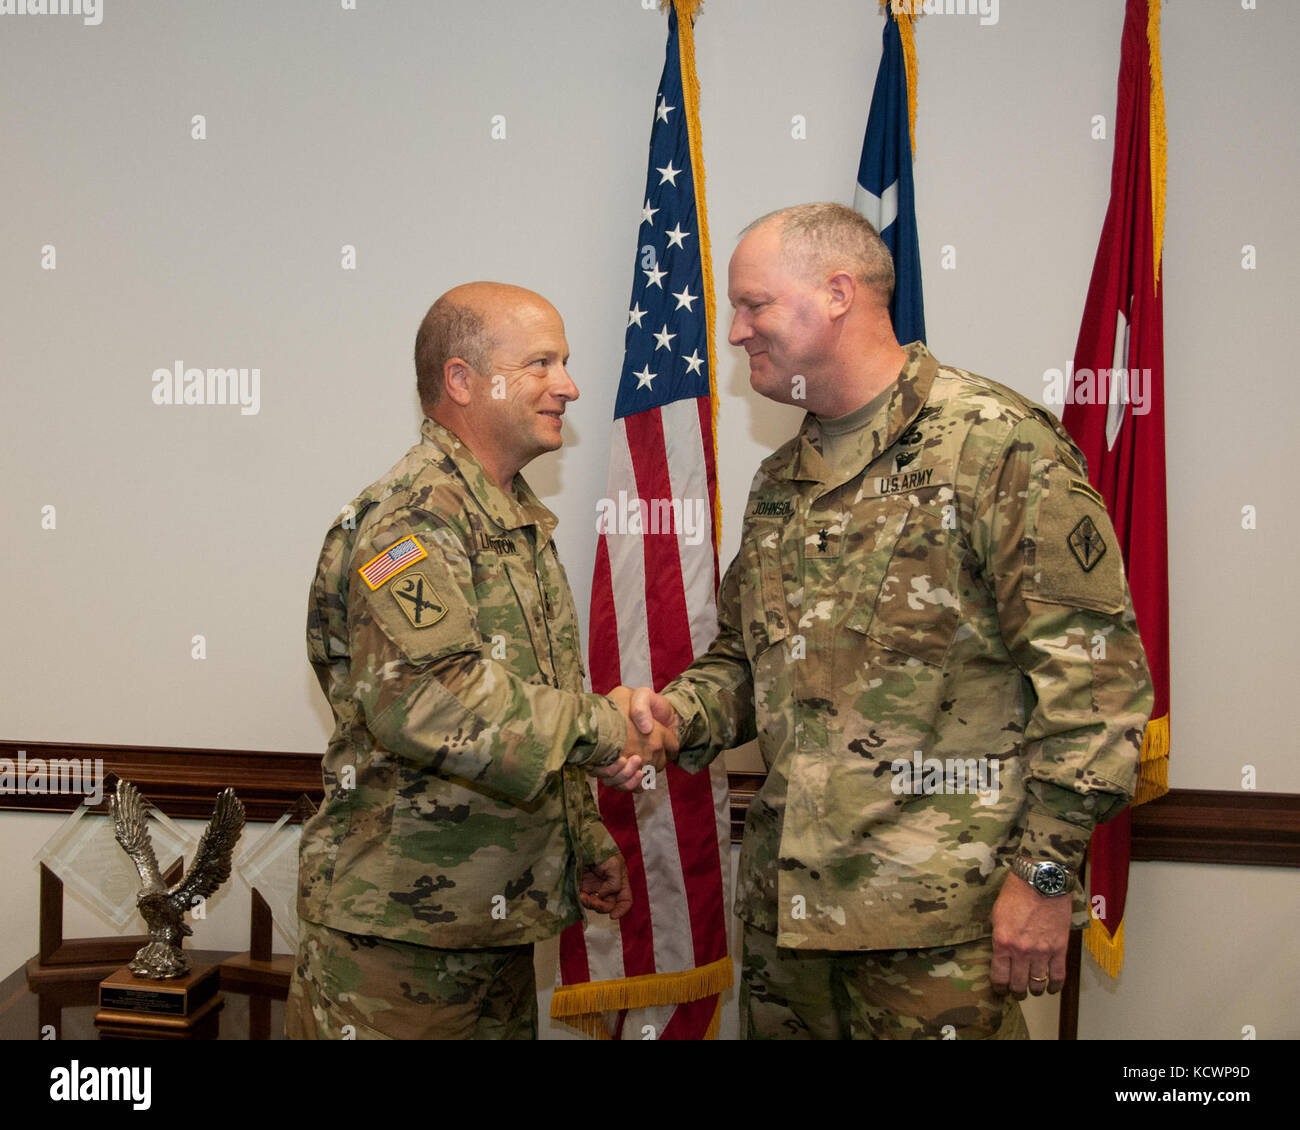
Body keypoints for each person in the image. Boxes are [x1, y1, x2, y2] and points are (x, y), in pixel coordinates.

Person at [627, 203, 1153, 1040]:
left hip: (938, 931)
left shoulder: (996, 445)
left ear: (838, 293)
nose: (733, 332)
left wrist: (1048, 877)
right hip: (787, 923)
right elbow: (746, 659)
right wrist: (673, 718)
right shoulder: (779, 480)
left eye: (753, 304)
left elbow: (1097, 686)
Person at [287, 282, 673, 1040]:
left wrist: (584, 840)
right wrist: (606, 726)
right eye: (540, 363)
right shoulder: (414, 518)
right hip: (400, 948)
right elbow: (434, 701)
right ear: (463, 380)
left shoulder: (513, 518)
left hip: (491, 919)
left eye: (563, 361)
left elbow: (528, 701)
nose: (568, 385)